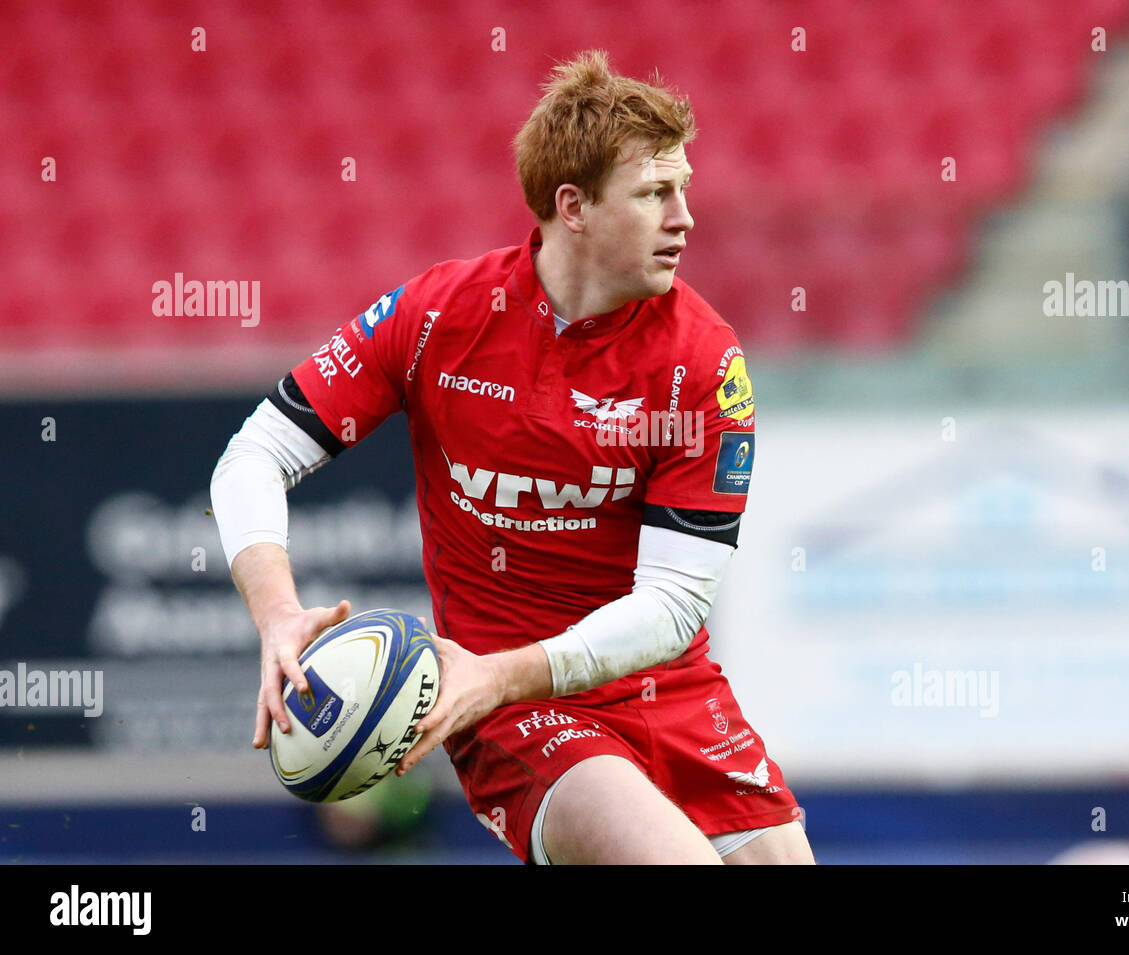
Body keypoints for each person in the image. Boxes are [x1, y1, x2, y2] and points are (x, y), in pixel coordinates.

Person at [210, 49, 813, 865]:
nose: (685, 218)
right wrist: (279, 613)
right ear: (575, 207)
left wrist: (509, 672)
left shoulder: (703, 362)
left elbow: (674, 607)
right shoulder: (436, 317)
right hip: (496, 700)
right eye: (654, 193)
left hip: (662, 685)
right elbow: (251, 457)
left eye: (685, 190)